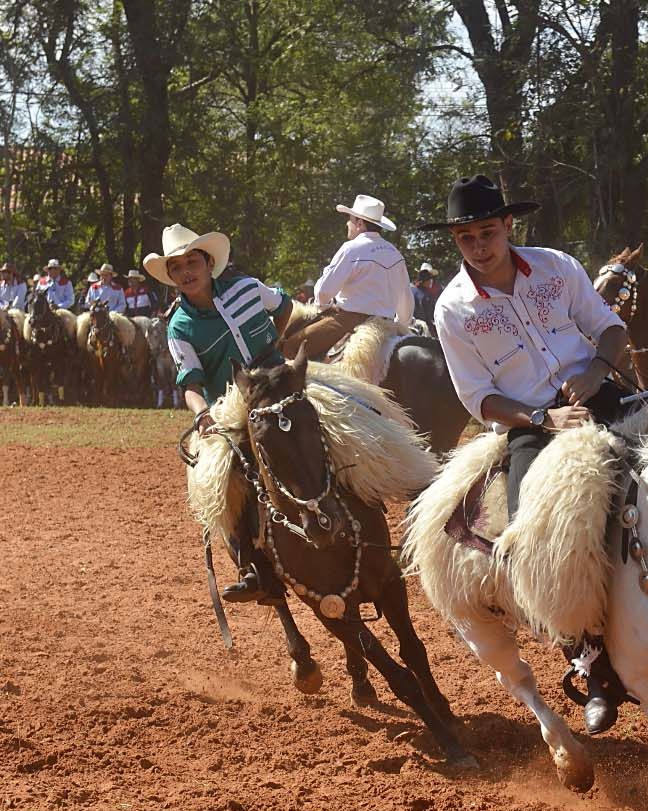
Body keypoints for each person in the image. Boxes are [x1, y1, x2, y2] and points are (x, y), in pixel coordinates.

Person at [421, 173, 634, 735]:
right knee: (530, 534)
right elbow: (477, 396)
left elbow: (609, 329)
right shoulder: (452, 309)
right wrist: (543, 417)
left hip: (603, 393)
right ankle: (589, 667)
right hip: (530, 425)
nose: (478, 245)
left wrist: (594, 371)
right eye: (465, 237)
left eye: (487, 231)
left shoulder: (558, 267)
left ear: (508, 225)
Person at [148, 223, 294, 604]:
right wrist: (202, 417)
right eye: (176, 267)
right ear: (171, 276)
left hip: (278, 381)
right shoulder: (179, 326)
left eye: (191, 261)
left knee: (342, 417)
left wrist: (271, 349)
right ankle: (250, 565)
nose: (185, 272)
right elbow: (191, 385)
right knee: (220, 479)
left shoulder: (247, 288)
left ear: (209, 262)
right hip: (231, 407)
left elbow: (284, 306)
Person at [281, 194, 412, 360]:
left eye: (350, 219)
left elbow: (323, 291)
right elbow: (406, 304)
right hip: (387, 324)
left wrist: (324, 307)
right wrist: (400, 326)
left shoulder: (351, 249)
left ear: (359, 223)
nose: (347, 224)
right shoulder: (396, 254)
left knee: (290, 347)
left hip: (349, 321)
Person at [412, 261, 441, 338]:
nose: (431, 281)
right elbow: (431, 316)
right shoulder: (426, 296)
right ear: (425, 281)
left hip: (412, 326)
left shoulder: (411, 291)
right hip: (425, 329)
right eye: (429, 279)